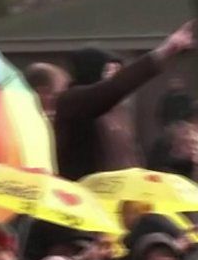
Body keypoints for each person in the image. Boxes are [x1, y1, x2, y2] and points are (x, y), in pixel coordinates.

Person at [54, 21, 194, 180]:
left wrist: (179, 161)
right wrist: (164, 52)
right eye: (109, 70)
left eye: (117, 71)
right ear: (91, 70)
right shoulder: (73, 102)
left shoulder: (118, 113)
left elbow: (133, 159)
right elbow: (113, 88)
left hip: (123, 195)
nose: (114, 75)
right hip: (89, 195)